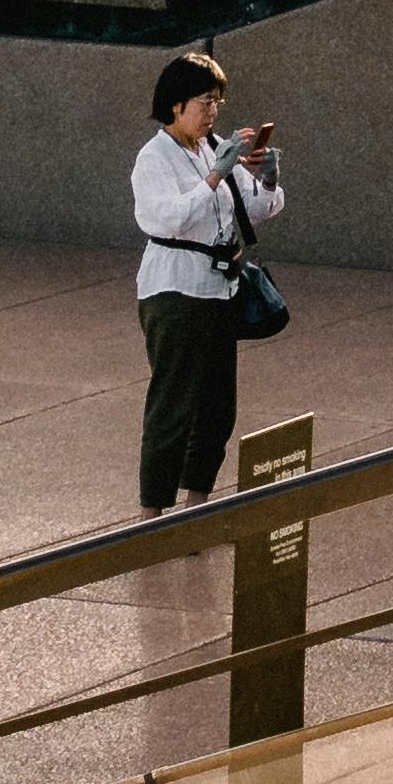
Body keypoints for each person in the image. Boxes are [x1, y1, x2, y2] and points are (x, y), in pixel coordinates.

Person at [131, 53, 284, 513]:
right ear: (176, 104)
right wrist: (217, 174)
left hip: (220, 288)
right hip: (174, 290)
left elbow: (256, 209)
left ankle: (196, 504)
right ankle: (152, 514)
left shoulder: (211, 146)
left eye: (218, 102)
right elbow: (168, 218)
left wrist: (267, 179)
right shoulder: (154, 157)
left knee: (218, 407)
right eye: (205, 102)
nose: (213, 112)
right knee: (173, 404)